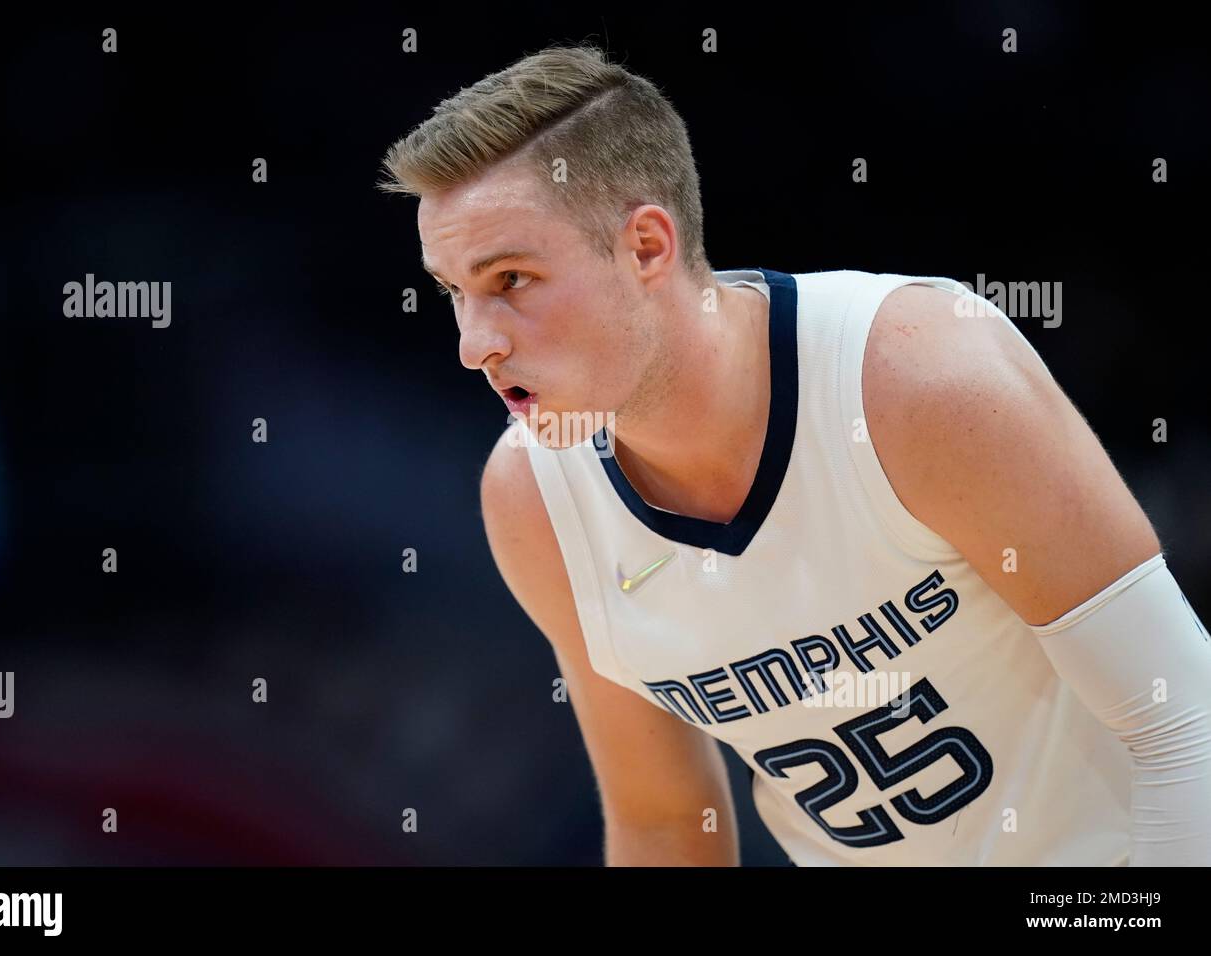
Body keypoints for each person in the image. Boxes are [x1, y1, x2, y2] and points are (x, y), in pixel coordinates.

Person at [377, 44, 1211, 866]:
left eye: (511, 280)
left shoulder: (917, 379)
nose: (473, 345)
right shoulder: (534, 500)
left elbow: (1183, 721)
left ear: (646, 248)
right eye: (454, 292)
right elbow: (666, 824)